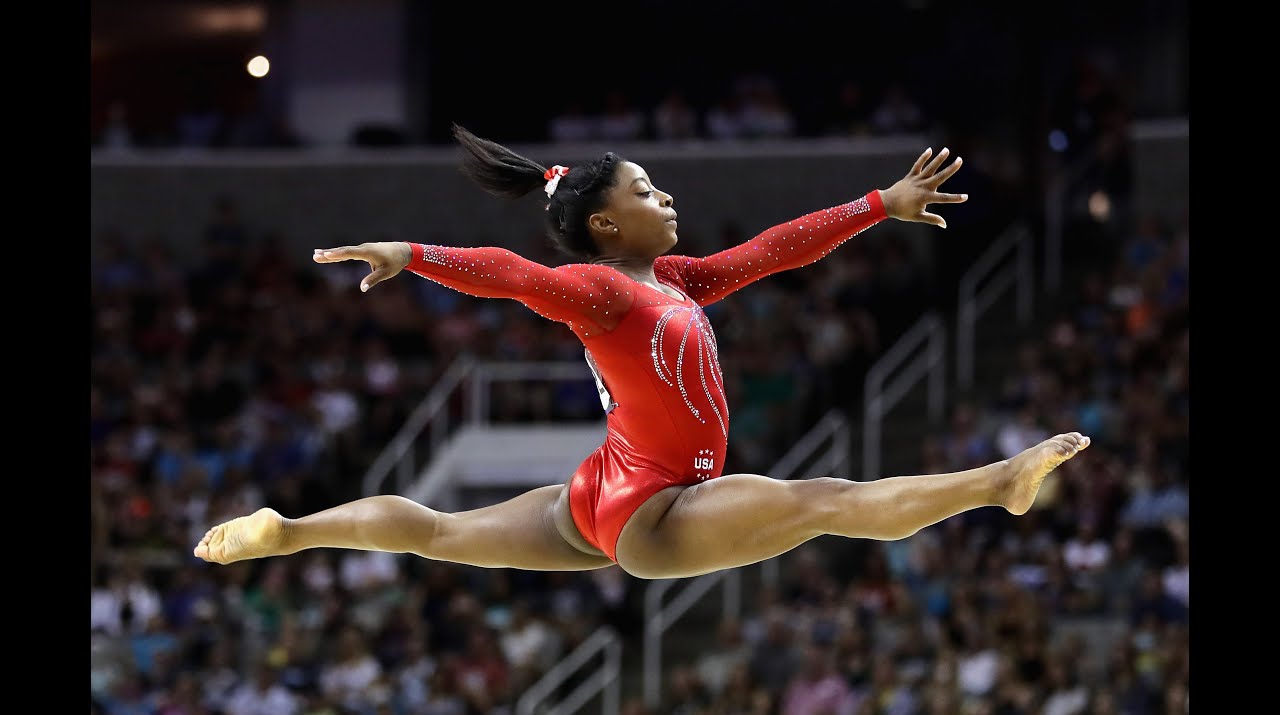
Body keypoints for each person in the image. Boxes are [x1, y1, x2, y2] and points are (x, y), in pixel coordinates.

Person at [195, 125, 1090, 580]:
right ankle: (995, 483)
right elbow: (509, 271)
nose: (668, 198)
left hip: (604, 492)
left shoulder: (678, 281)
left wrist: (873, 205)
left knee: (436, 533)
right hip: (656, 510)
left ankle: (291, 532)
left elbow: (775, 249)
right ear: (603, 224)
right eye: (648, 190)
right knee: (824, 501)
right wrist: (413, 254)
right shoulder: (602, 288)